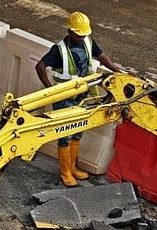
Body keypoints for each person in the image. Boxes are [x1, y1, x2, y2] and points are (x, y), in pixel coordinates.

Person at [34, 11, 125, 187]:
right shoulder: (59, 50)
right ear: (70, 32)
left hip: (82, 97)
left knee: (77, 132)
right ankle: (65, 172)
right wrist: (50, 89)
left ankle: (73, 168)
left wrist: (117, 70)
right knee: (65, 135)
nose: (82, 38)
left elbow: (102, 56)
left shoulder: (87, 41)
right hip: (64, 99)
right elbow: (40, 66)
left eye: (84, 35)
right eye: (79, 35)